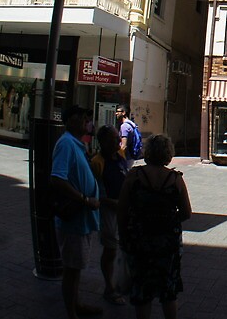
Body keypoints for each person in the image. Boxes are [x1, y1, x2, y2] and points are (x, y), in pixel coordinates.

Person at [118, 134, 192, 319]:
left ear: (148, 152)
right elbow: (186, 212)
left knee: (142, 290)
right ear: (168, 153)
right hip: (167, 243)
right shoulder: (175, 179)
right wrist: (168, 221)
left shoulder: (134, 176)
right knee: (168, 290)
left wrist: (124, 235)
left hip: (139, 240)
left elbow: (122, 209)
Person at [50, 105, 102, 319]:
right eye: (82, 118)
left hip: (82, 219)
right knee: (71, 269)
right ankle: (72, 312)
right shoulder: (66, 145)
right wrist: (84, 199)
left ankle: (76, 304)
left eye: (87, 118)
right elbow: (57, 178)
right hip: (73, 219)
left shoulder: (76, 144)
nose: (86, 122)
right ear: (70, 120)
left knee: (76, 267)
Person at [90, 125, 129, 305]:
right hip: (108, 212)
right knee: (110, 249)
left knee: (122, 247)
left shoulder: (120, 156)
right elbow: (97, 191)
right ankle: (109, 287)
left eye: (118, 137)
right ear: (104, 142)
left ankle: (122, 284)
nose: (118, 141)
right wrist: (112, 202)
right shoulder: (97, 162)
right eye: (114, 138)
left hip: (123, 209)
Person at [116, 105, 139, 170]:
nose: (116, 113)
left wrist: (118, 157)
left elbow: (123, 146)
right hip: (130, 157)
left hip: (126, 157)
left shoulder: (124, 126)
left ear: (123, 113)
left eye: (118, 111)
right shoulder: (131, 124)